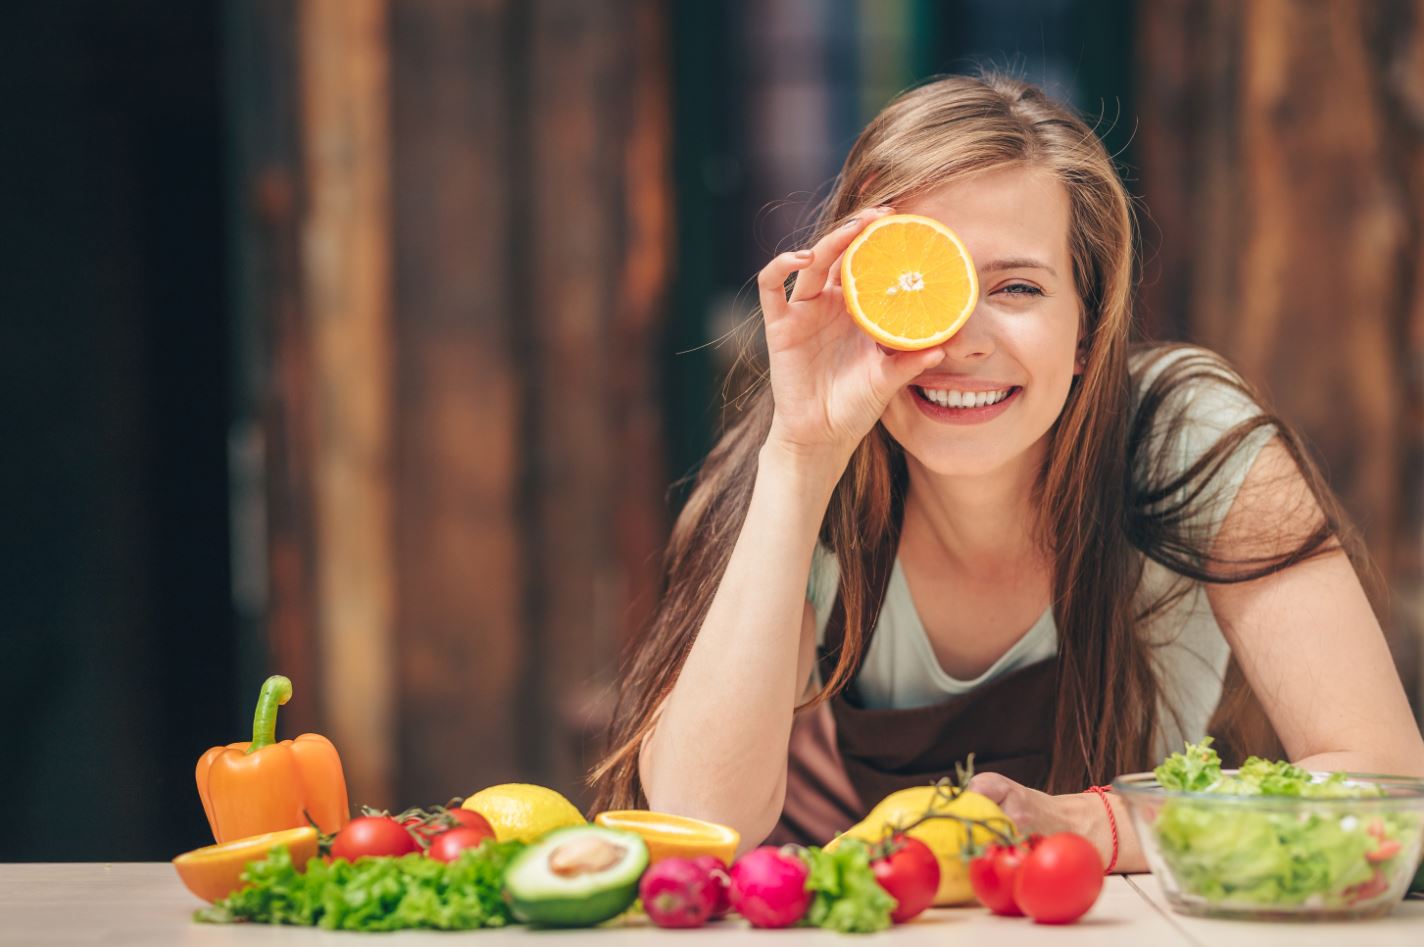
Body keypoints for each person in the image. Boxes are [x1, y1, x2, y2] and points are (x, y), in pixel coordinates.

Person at [587, 72, 1424, 872]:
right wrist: (802, 457)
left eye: (1017, 286)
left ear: (1089, 333)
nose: (960, 340)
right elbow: (700, 820)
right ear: (858, 298)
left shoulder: (1184, 437)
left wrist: (1091, 825)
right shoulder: (801, 466)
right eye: (923, 287)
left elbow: (1393, 786)